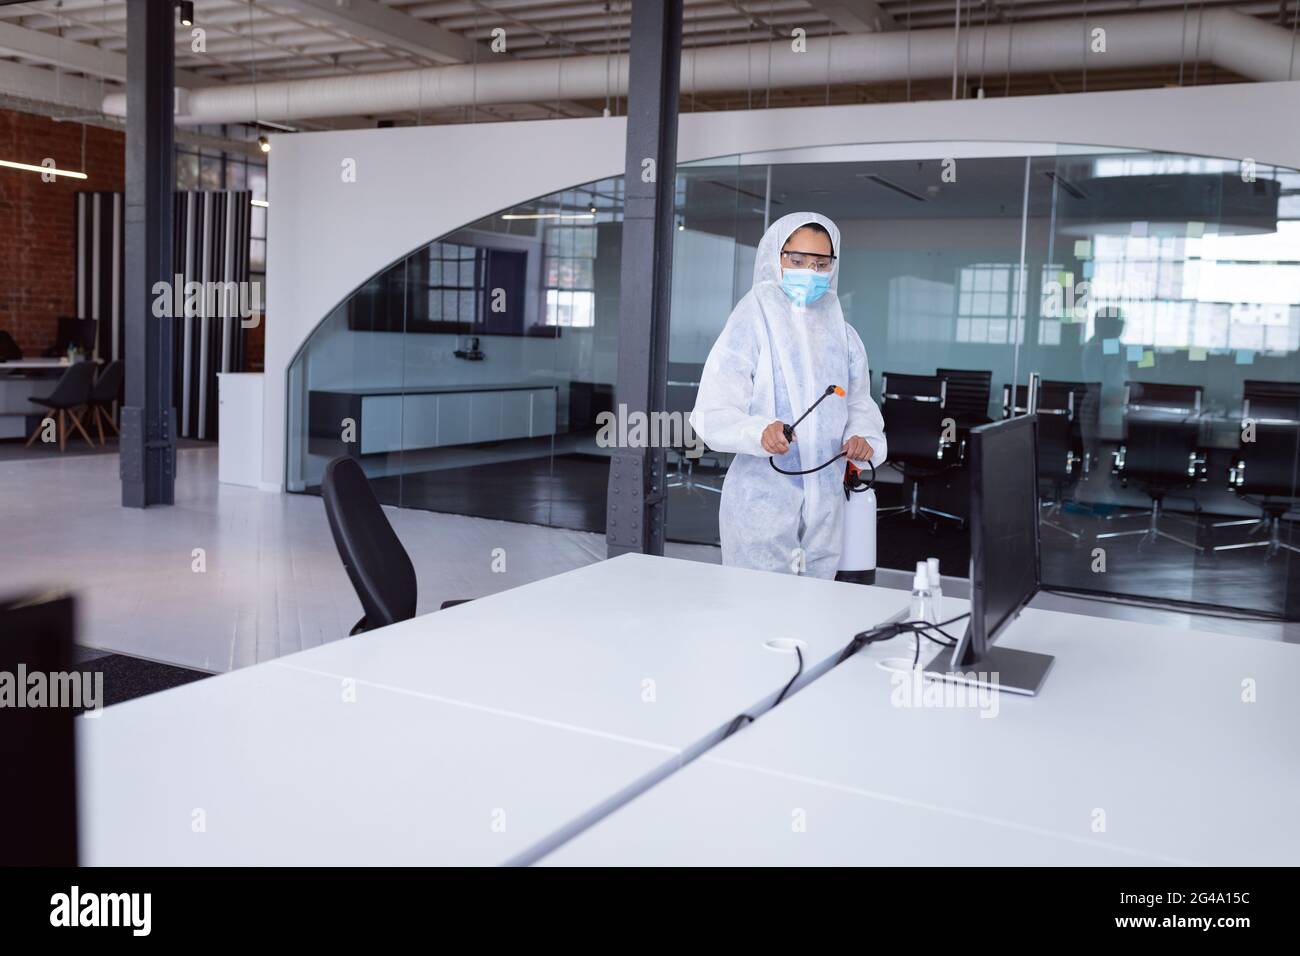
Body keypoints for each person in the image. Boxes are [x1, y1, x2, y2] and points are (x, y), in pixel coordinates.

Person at [690, 212, 887, 578]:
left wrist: (862, 438)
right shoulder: (750, 322)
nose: (809, 272)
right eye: (797, 261)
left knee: (815, 614)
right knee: (757, 614)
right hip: (761, 502)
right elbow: (712, 411)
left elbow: (859, 403)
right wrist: (758, 431)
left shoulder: (843, 335)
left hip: (826, 503)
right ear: (775, 258)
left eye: (820, 263)